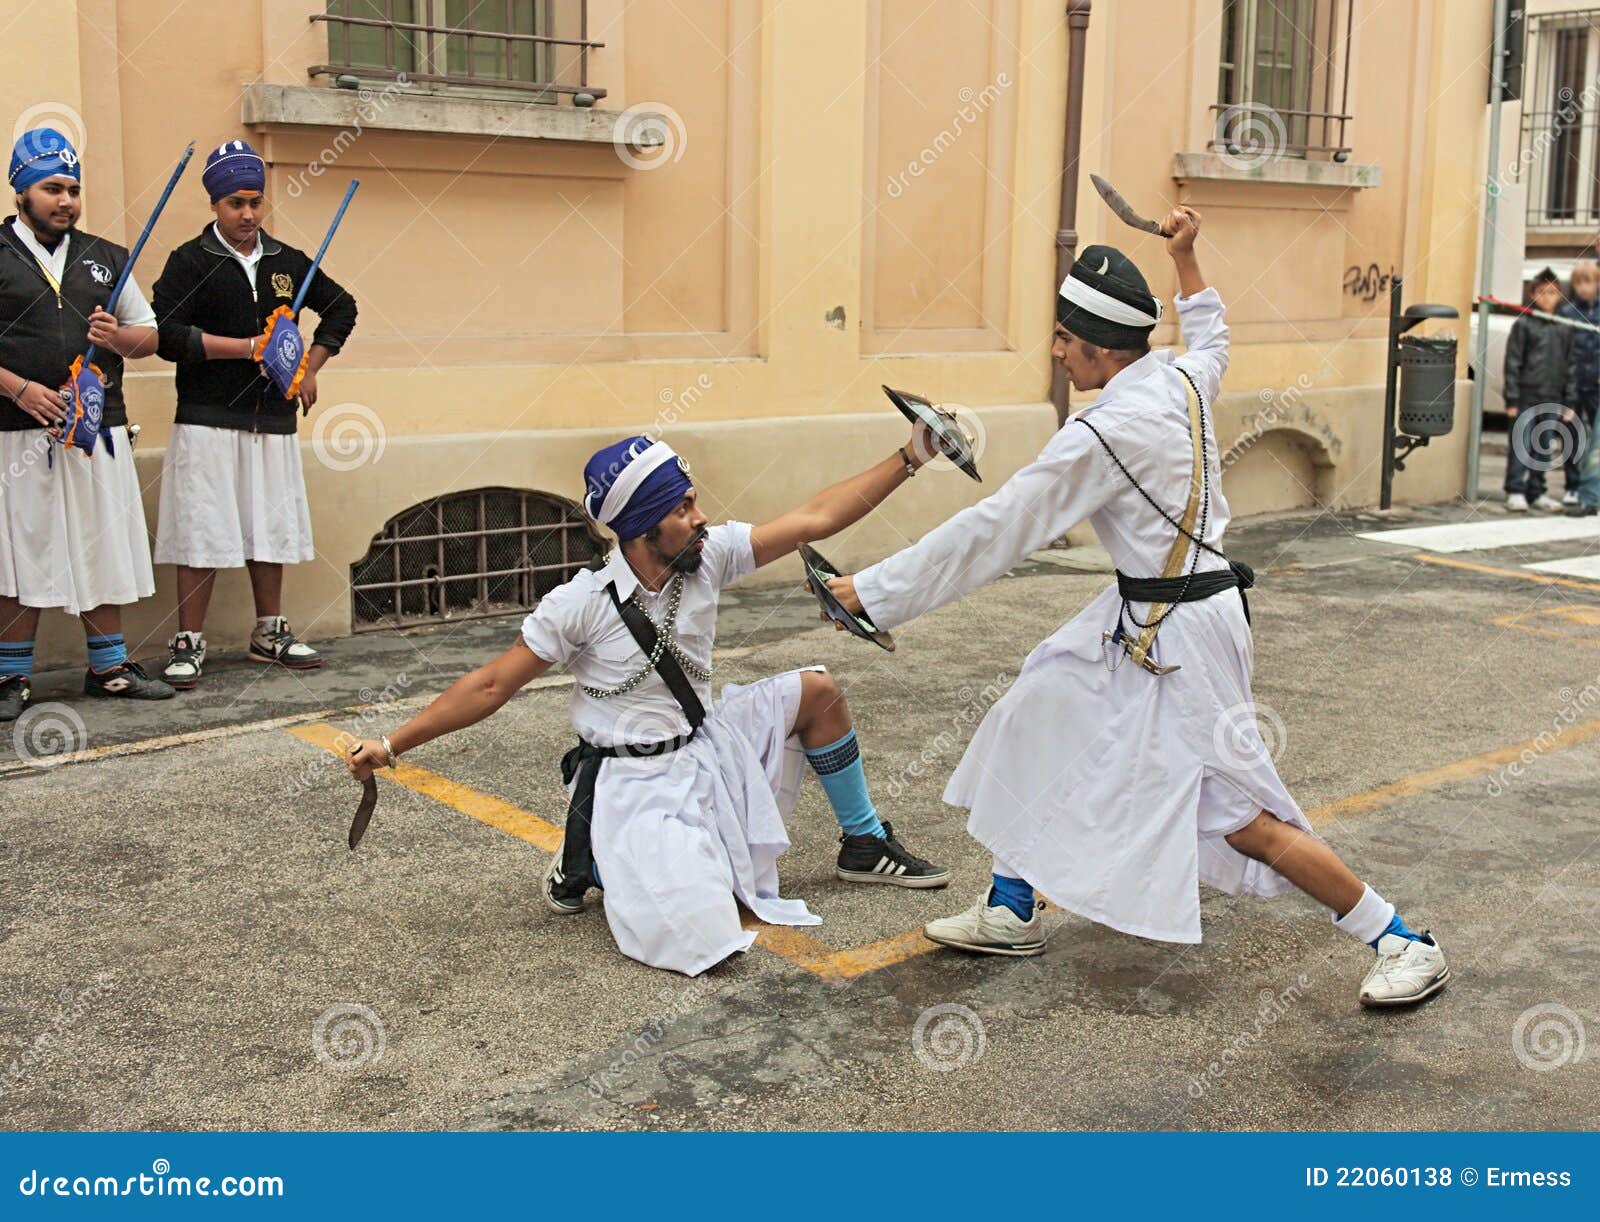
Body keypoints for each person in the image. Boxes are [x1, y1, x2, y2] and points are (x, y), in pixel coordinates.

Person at [824, 208, 1449, 1009]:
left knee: (1237, 814)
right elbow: (1214, 336)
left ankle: (1400, 938)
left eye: (1064, 338)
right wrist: (1186, 258)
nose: (1054, 350)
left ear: (1099, 348)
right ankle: (1013, 908)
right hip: (1153, 614)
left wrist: (870, 593)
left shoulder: (1104, 434)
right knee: (1041, 705)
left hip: (1183, 630)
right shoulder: (1179, 378)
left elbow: (997, 531)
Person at [346, 430, 951, 976]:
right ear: (641, 528)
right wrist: (393, 744)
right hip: (636, 781)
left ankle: (865, 842)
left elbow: (815, 517)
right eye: (683, 507)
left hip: (707, 742)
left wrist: (914, 455)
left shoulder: (708, 555)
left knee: (819, 690)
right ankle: (593, 852)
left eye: (693, 500)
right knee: (703, 932)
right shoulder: (579, 604)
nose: (701, 515)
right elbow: (489, 686)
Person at [150, 140, 358, 689]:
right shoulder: (188, 262)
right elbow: (166, 336)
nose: (247, 214)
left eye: (255, 202)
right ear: (215, 205)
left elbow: (342, 306)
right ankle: (188, 640)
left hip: (271, 420)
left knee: (269, 527)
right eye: (235, 204)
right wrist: (248, 347)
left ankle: (270, 631)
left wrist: (309, 367)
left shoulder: (288, 261)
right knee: (201, 528)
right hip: (205, 417)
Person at [0, 125, 176, 722]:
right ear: (21, 191)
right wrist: (18, 387)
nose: (67, 201)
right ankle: (10, 676)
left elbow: (150, 337)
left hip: (96, 427)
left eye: (74, 189)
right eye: (53, 188)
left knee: (100, 546)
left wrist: (117, 337)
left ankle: (110, 669)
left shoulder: (108, 258)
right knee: (21, 550)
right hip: (16, 432)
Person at [1503, 267, 1573, 513]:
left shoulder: (1564, 328)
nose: (1547, 297)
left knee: (1543, 446)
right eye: (1542, 292)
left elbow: (1570, 366)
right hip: (1526, 394)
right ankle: (1515, 489)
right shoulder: (1524, 325)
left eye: (1552, 293)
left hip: (1553, 396)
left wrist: (1569, 402)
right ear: (1532, 294)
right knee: (1521, 443)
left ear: (1559, 297)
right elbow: (1513, 362)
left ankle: (1537, 490)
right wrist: (1511, 398)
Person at [1560, 259, 1599, 518]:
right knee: (1573, 436)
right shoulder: (1568, 314)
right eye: (1579, 283)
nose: (1584, 288)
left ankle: (1591, 493)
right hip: (1574, 385)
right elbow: (1564, 352)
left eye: (1589, 282)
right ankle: (1573, 486)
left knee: (1596, 443)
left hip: (1596, 386)